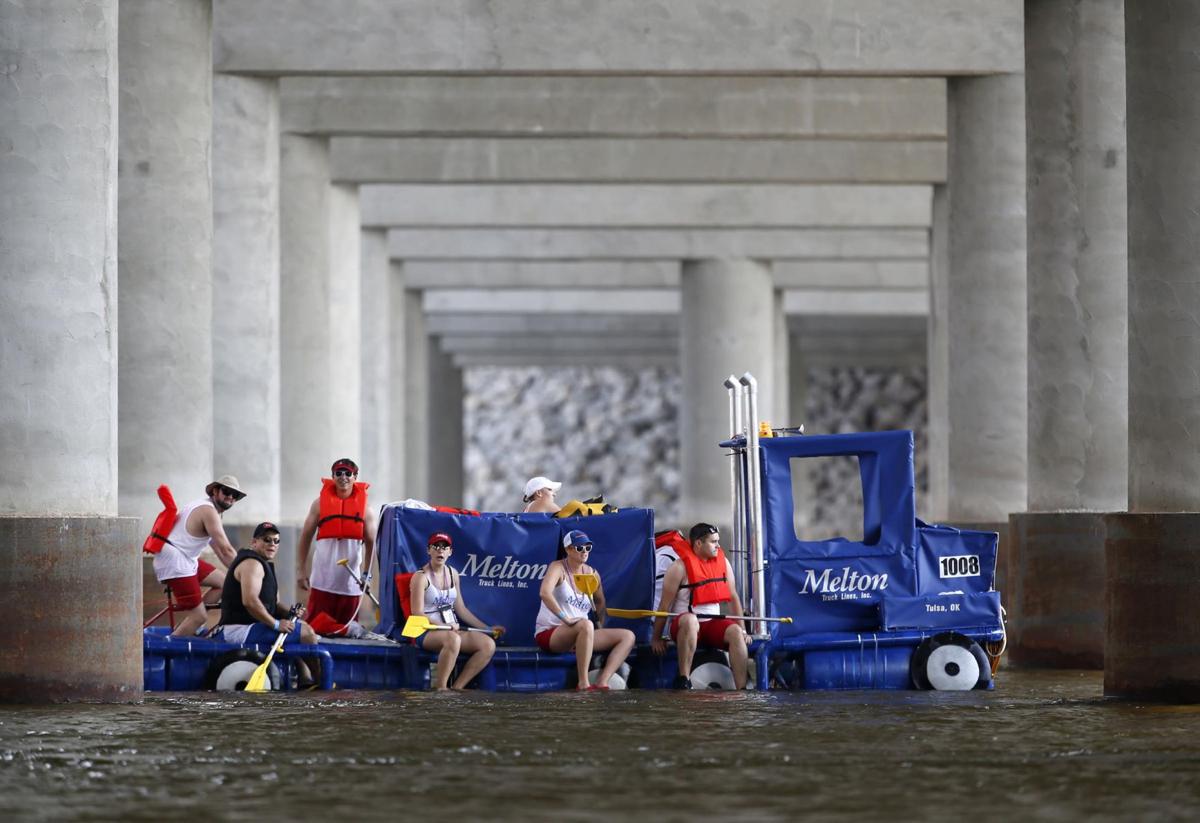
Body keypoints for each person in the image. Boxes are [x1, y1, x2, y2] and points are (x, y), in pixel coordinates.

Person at [215, 522, 320, 685]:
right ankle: (322, 682)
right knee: (306, 634)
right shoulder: (252, 564)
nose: (272, 544)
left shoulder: (265, 565)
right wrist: (277, 624)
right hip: (236, 629)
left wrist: (290, 614)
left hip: (251, 626)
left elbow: (275, 605)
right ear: (254, 542)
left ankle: (305, 679)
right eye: (267, 539)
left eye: (276, 541)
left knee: (301, 627)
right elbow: (250, 601)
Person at [652, 522, 751, 690]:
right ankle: (684, 678)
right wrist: (656, 638)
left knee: (735, 632)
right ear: (698, 543)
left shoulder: (723, 562)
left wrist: (743, 630)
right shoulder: (678, 567)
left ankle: (742, 688)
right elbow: (664, 606)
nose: (718, 546)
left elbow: (733, 597)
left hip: (712, 625)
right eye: (713, 542)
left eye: (717, 541)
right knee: (691, 621)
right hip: (684, 625)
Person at [535, 529, 635, 690]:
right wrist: (565, 619)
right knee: (585, 624)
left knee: (628, 636)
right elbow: (544, 593)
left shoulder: (592, 573)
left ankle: (603, 681)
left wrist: (601, 626)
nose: (585, 552)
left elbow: (600, 602)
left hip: (582, 633)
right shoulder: (557, 567)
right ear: (568, 549)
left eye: (588, 547)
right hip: (552, 632)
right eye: (579, 548)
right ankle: (583, 683)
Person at [409, 532, 504, 691]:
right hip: (425, 631)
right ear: (428, 551)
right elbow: (417, 613)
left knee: (488, 645)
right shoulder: (420, 577)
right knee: (453, 639)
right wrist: (443, 626)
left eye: (444, 547)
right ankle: (441, 688)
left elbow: (461, 609)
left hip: (451, 629)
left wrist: (487, 629)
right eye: (436, 547)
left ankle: (458, 688)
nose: (440, 551)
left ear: (450, 552)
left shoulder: (453, 573)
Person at [153, 475, 244, 637]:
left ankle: (190, 624)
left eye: (234, 495)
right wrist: (246, 573)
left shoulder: (212, 510)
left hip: (186, 557)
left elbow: (218, 549)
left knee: (224, 583)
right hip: (176, 560)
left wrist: (238, 575)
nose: (230, 497)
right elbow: (226, 550)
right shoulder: (208, 511)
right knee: (199, 616)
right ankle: (169, 650)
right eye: (226, 491)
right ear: (215, 491)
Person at [297, 458, 377, 632]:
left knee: (346, 633)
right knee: (315, 630)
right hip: (322, 581)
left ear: (355, 477)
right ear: (332, 476)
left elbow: (371, 544)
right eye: (338, 473)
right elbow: (305, 537)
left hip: (350, 585)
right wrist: (301, 570)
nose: (343, 477)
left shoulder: (366, 510)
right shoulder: (319, 505)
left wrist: (367, 575)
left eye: (348, 473)